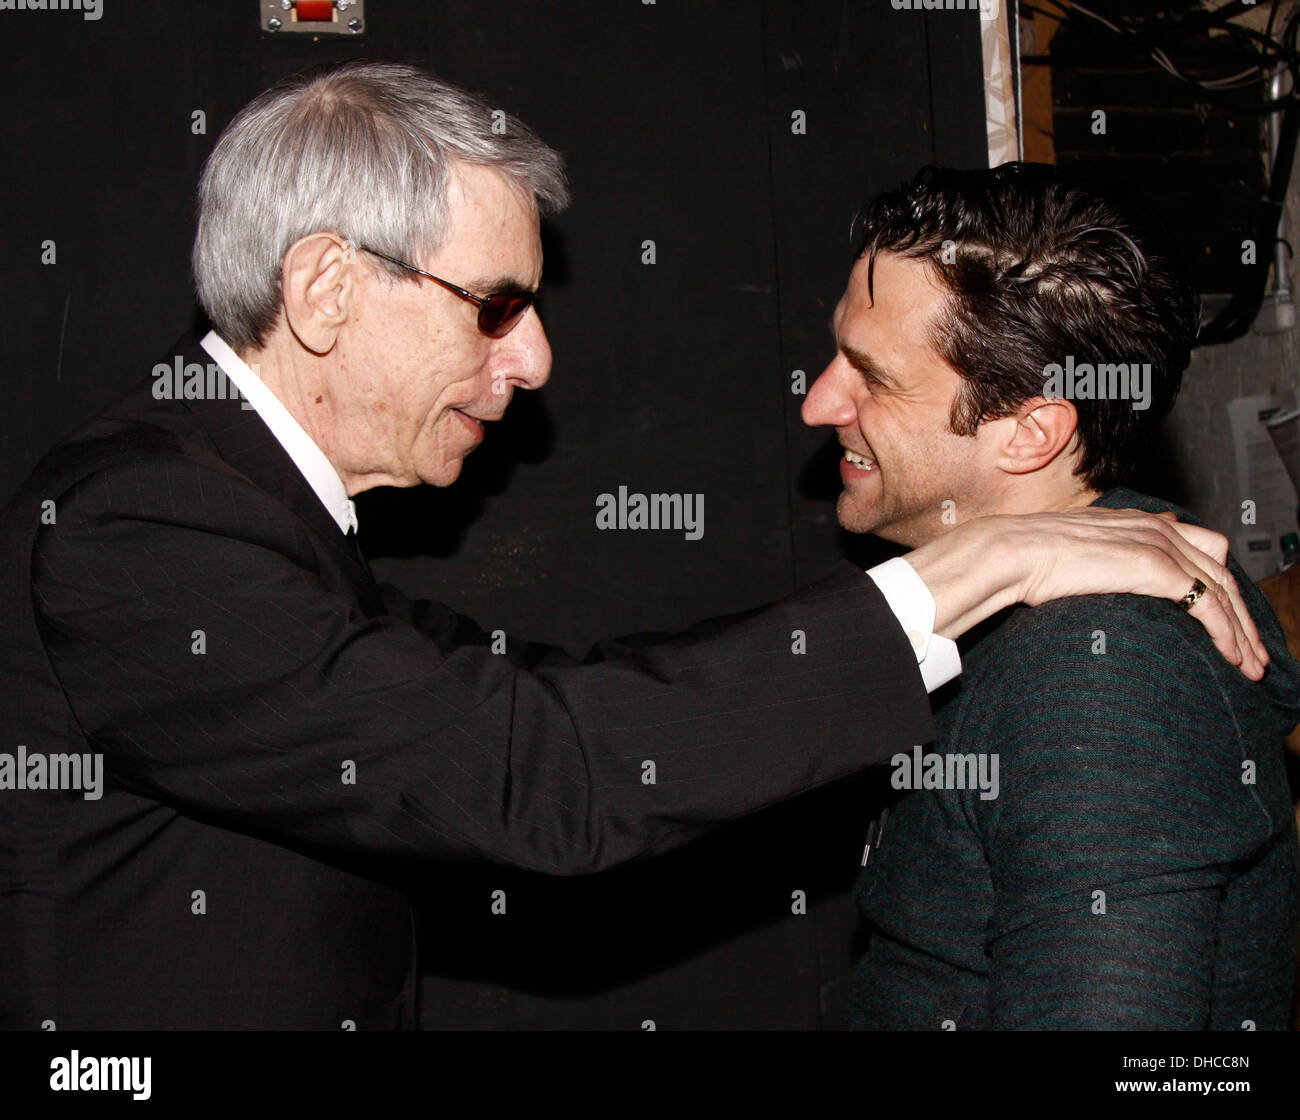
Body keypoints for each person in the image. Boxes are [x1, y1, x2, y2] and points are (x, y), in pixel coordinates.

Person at [0, 64, 1264, 1030]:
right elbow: (541, 770)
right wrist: (975, 565)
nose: (535, 357)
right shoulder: (147, 521)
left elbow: (567, 702)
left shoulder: (234, 512)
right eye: (496, 304)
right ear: (327, 288)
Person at [799, 163, 1300, 1030]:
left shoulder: (1101, 689)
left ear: (1031, 433)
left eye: (872, 376)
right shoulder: (1024, 610)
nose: (819, 402)